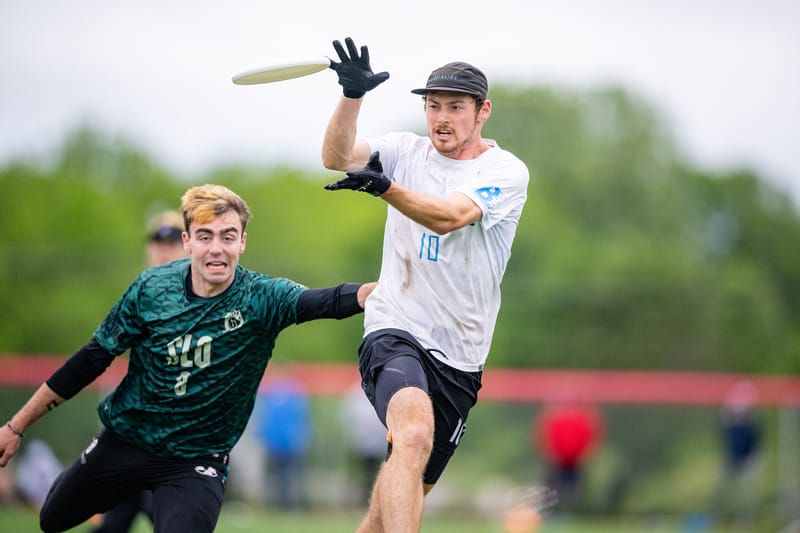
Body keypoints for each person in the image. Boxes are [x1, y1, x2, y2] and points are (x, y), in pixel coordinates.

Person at [0, 184, 376, 532]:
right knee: (52, 519)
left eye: (228, 236)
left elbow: (326, 301)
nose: (217, 248)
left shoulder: (261, 297)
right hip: (128, 440)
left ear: (242, 242)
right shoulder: (152, 289)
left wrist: (381, 291)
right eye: (205, 236)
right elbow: (91, 359)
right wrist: (16, 426)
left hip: (195, 461)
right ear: (188, 242)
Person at [322, 37, 529, 531]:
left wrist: (384, 188)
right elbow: (336, 156)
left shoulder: (504, 171)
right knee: (412, 435)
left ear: (482, 112)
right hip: (395, 329)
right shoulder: (404, 151)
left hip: (461, 358)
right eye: (433, 106)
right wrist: (351, 96)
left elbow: (450, 217)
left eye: (455, 107)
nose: (442, 117)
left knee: (390, 507)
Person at [89, 209, 187, 533]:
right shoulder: (144, 293)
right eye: (158, 241)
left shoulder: (199, 296)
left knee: (164, 516)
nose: (163, 249)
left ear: (189, 245)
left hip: (176, 440)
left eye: (173, 241)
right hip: (137, 432)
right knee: (115, 521)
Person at [534, 398, 603, 511]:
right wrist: (550, 454)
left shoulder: (581, 420)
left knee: (573, 488)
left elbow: (593, 436)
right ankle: (554, 508)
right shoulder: (557, 419)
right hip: (558, 461)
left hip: (574, 460)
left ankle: (572, 507)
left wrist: (585, 454)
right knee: (554, 486)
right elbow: (544, 436)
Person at [254, 374, 311, 510]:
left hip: (279, 442)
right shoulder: (295, 393)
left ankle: (280, 503)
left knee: (282, 475)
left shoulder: (272, 392)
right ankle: (287, 503)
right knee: (286, 475)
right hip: (285, 442)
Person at [340, 381, 389, 507]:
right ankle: (364, 499)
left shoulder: (380, 389)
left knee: (378, 473)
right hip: (361, 443)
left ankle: (377, 499)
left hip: (379, 443)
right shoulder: (356, 392)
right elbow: (348, 416)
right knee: (363, 473)